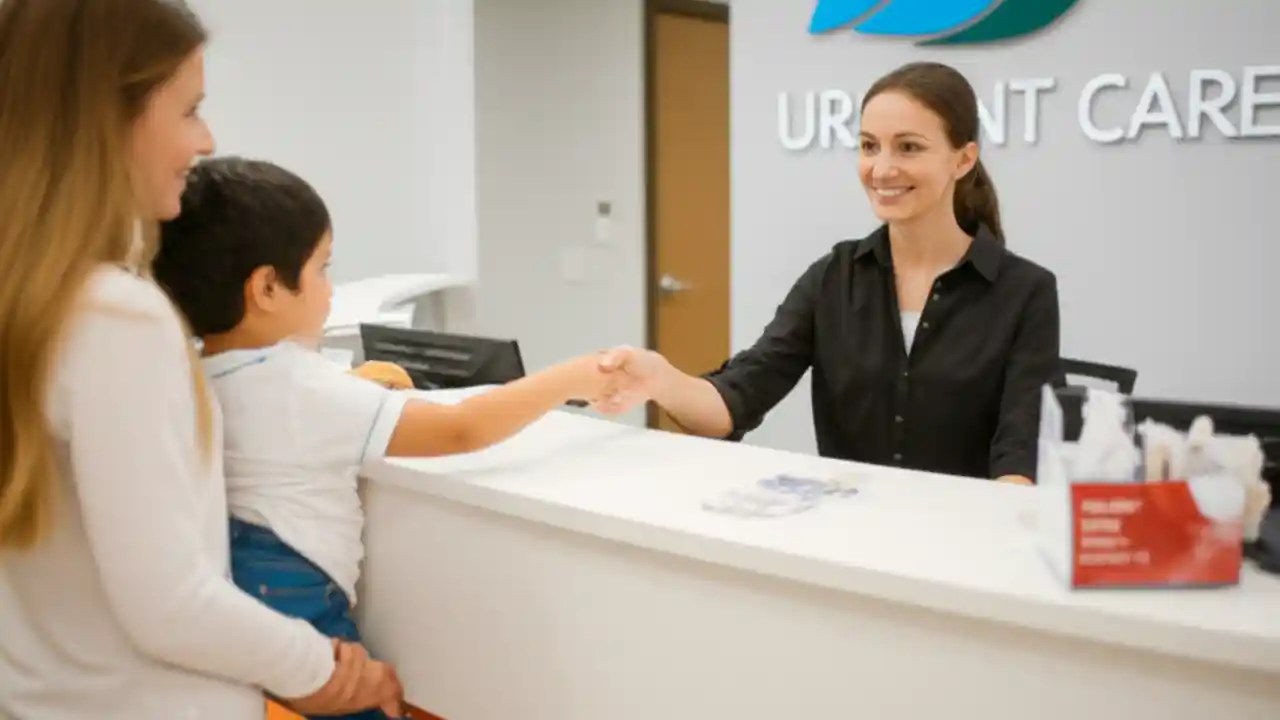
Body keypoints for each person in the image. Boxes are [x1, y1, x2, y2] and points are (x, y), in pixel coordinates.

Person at [0, 1, 402, 717]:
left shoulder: (35, 301)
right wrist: (329, 672)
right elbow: (171, 604)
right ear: (107, 117)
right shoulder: (118, 317)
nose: (206, 139)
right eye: (189, 110)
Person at [151, 156, 618, 718]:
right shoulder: (300, 385)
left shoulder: (192, 374)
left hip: (240, 601)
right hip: (298, 602)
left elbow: (288, 418)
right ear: (268, 288)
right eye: (323, 269)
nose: (329, 290)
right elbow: (460, 427)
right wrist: (576, 376)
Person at [598, 62, 1060, 484]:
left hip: (964, 544)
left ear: (963, 159)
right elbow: (737, 398)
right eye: (868, 146)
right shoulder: (832, 279)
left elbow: (1020, 459)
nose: (882, 168)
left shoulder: (1026, 292)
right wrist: (659, 379)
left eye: (909, 147)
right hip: (847, 541)